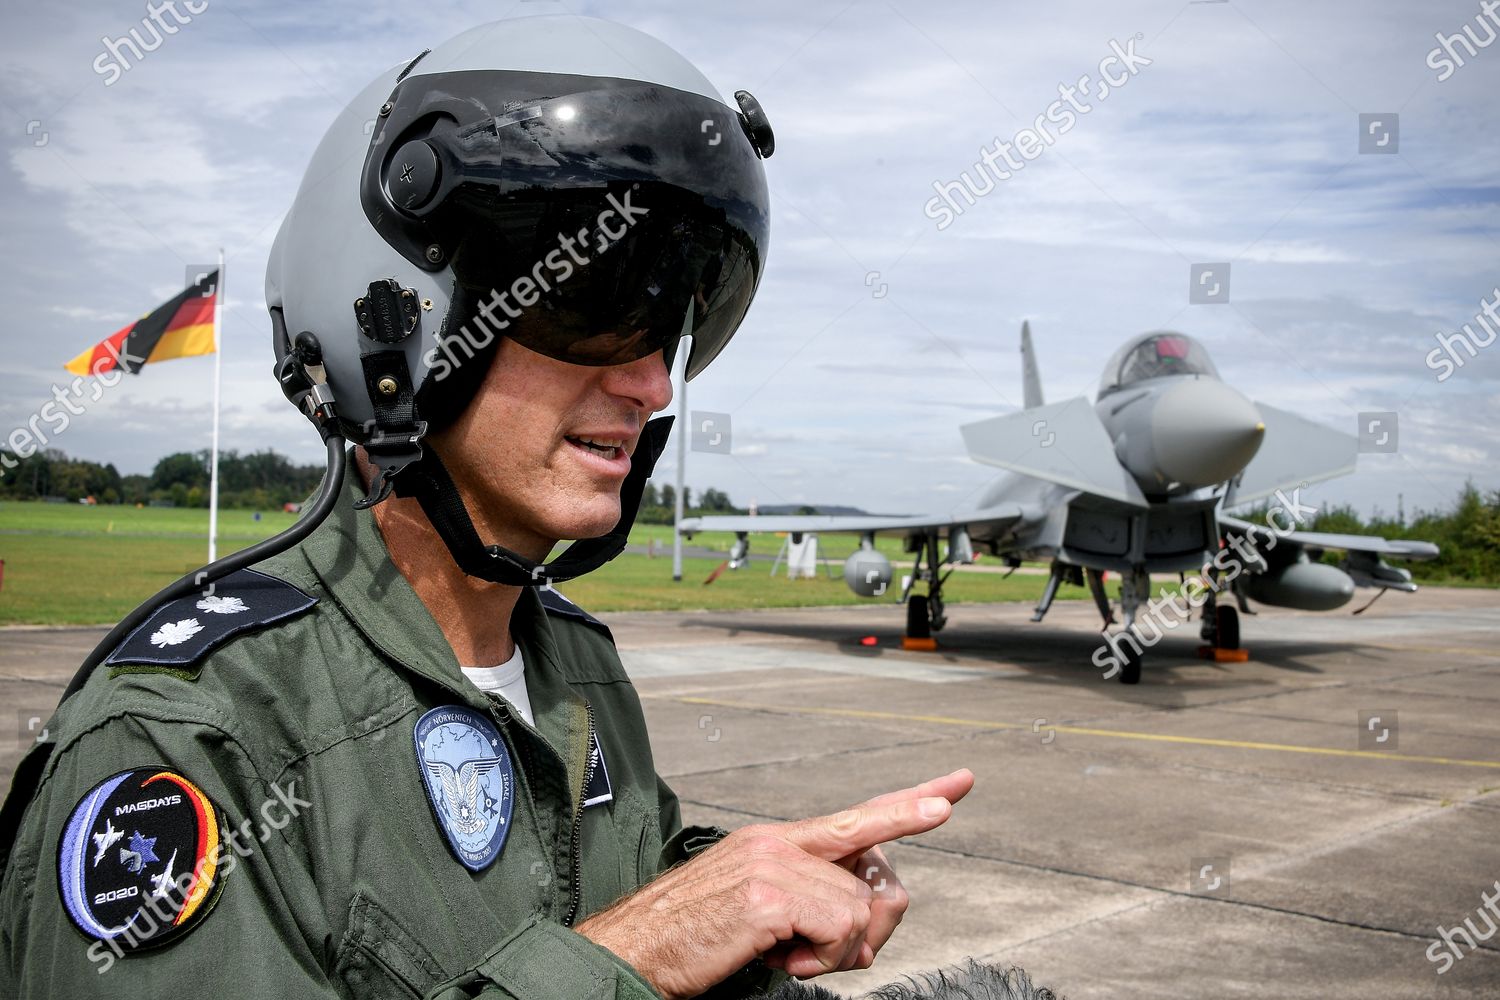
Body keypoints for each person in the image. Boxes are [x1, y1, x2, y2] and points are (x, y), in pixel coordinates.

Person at [0, 14, 972, 999]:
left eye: (668, 324)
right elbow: (616, 944)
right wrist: (640, 951)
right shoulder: (190, 737)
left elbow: (590, 894)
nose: (651, 384)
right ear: (390, 324)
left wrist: (732, 895)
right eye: (592, 304)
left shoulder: (575, 663)